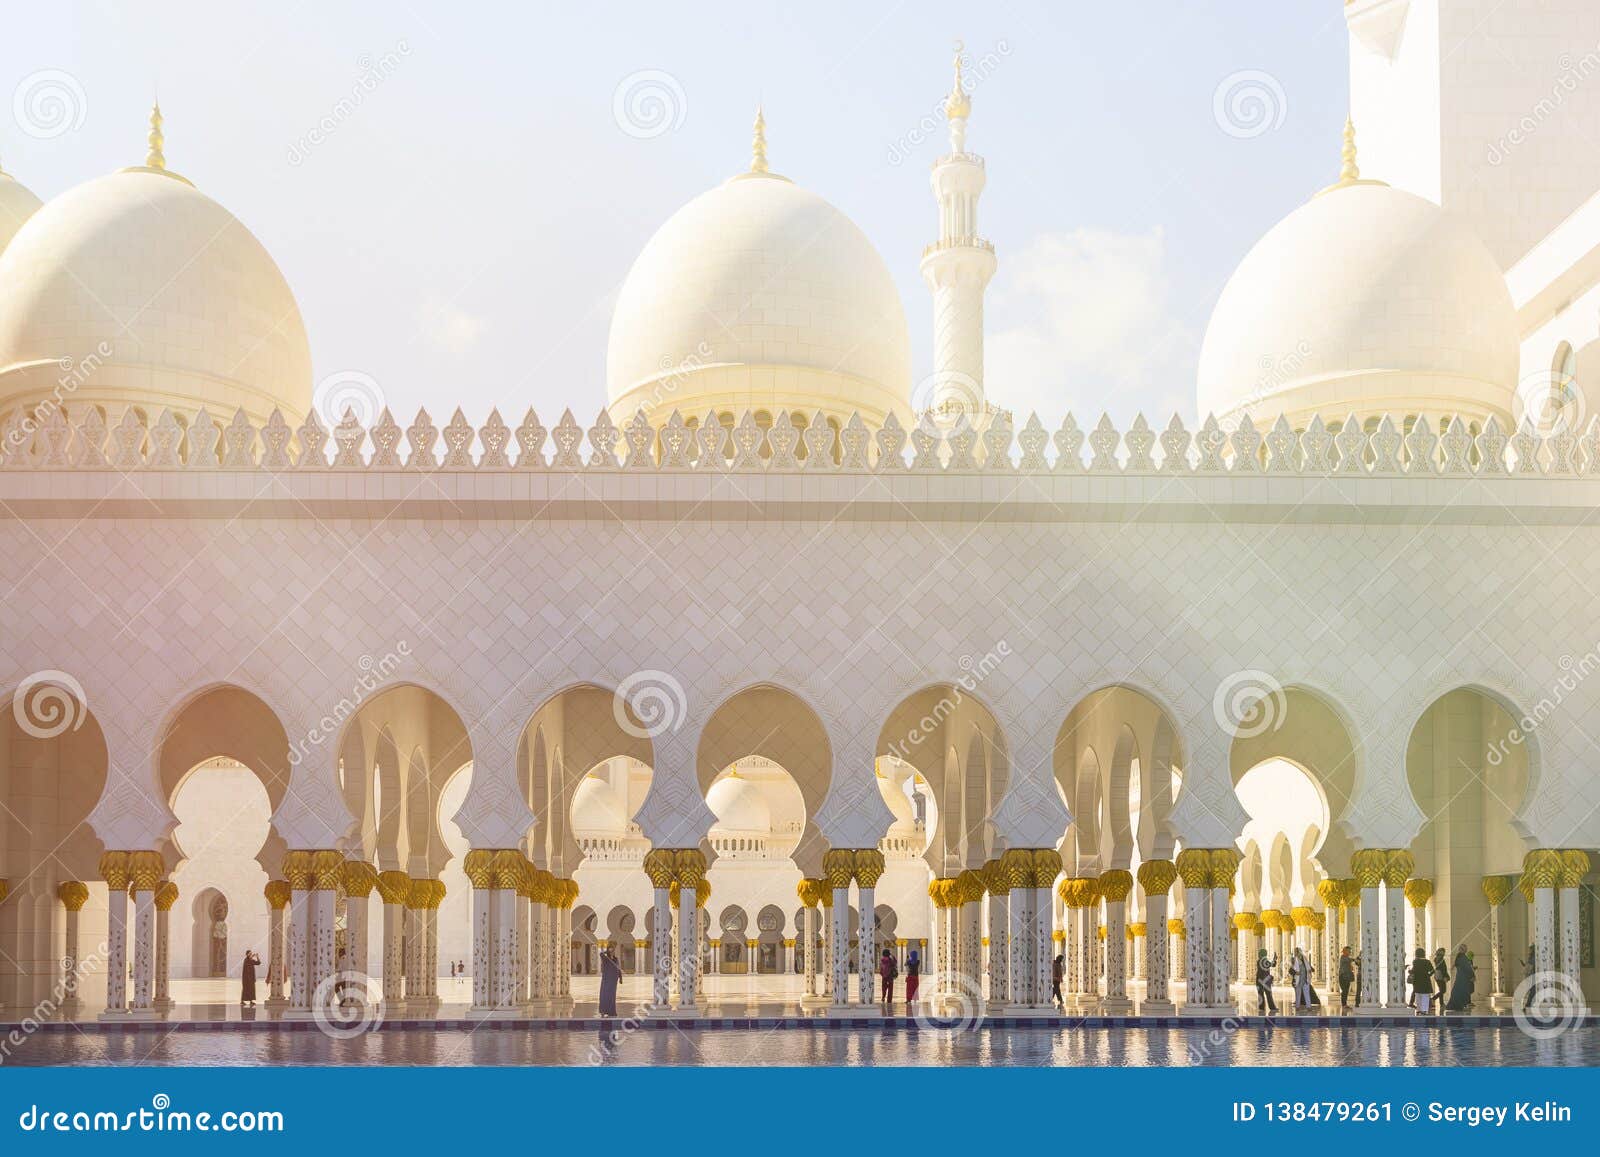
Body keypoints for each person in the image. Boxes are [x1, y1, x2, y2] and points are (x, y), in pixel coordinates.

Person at [1446, 946, 1475, 1012]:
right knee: (1463, 991)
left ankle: (1456, 1005)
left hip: (1459, 977)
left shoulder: (1459, 957)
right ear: (1463, 950)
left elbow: (1457, 965)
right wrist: (1472, 976)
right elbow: (1467, 968)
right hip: (1463, 978)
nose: (1466, 950)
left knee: (1457, 990)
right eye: (1465, 949)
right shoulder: (1463, 957)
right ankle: (1459, 1005)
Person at [1407, 948, 1435, 1013]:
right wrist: (1428, 975)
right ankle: (1424, 1010)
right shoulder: (1427, 961)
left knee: (1418, 994)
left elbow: (1414, 971)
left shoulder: (1415, 962)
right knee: (1425, 995)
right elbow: (1432, 971)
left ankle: (1419, 1009)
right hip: (1426, 980)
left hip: (1417, 980)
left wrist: (1409, 971)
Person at [598, 945, 621, 1017]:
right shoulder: (605, 958)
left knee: (612, 996)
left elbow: (618, 968)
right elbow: (601, 954)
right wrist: (606, 951)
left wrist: (620, 978)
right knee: (604, 995)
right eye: (610, 951)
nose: (612, 952)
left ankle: (611, 1012)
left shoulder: (615, 959)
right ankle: (603, 1011)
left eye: (612, 951)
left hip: (613, 980)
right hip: (606, 979)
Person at [1254, 946, 1278, 1015]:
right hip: (1265, 980)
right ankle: (1272, 1008)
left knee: (1260, 994)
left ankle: (1261, 1007)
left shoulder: (1259, 961)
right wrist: (1275, 959)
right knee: (1268, 994)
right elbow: (1272, 965)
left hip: (1259, 980)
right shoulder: (1264, 960)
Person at [1289, 947, 1314, 1012]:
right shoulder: (1294, 960)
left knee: (1306, 993)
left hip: (1305, 979)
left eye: (1297, 952)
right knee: (1298, 994)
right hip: (1298, 980)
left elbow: (1309, 967)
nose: (1297, 953)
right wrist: (1296, 972)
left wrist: (1311, 970)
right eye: (1296, 952)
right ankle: (1297, 1006)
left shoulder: (1304, 959)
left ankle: (1308, 1007)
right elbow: (1290, 970)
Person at [878, 948, 897, 1013]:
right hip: (890, 976)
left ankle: (883, 996)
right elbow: (895, 963)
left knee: (884, 987)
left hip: (884, 976)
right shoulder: (890, 960)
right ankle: (889, 1000)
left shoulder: (882, 960)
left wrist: (882, 973)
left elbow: (880, 968)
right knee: (890, 988)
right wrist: (892, 955)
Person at [1432, 948, 1449, 1016]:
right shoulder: (1440, 958)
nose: (1444, 953)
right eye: (1443, 951)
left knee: (1441, 990)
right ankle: (1434, 998)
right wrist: (1445, 976)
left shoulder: (1436, 958)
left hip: (1437, 975)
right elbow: (1443, 969)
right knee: (1443, 990)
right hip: (1440, 975)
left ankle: (1441, 1004)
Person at [1336, 947, 1354, 1012]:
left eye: (1350, 951)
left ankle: (1344, 1004)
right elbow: (1349, 960)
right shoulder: (1343, 957)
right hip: (1343, 977)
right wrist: (1356, 959)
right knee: (1344, 991)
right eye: (1349, 951)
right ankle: (1344, 1004)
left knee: (1346, 991)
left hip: (1347, 977)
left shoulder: (1346, 958)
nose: (1350, 952)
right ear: (1344, 951)